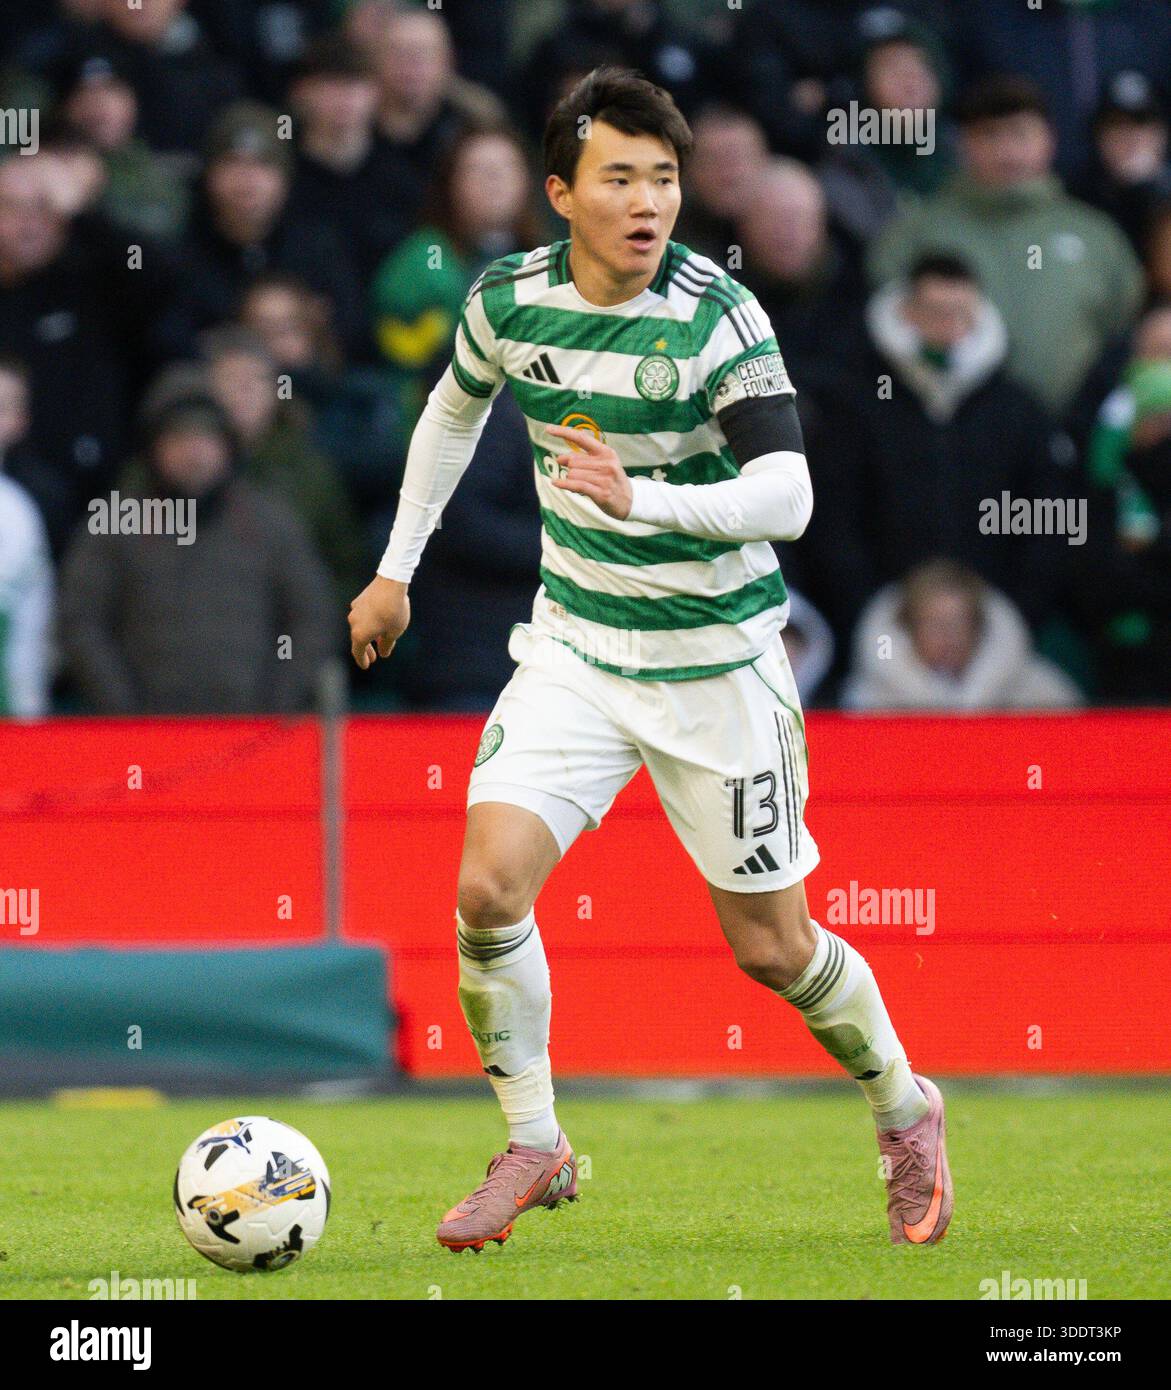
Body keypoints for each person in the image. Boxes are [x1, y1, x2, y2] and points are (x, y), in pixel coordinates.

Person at [348, 66, 953, 1252]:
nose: (648, 202)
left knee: (771, 948)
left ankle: (903, 1104)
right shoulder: (507, 299)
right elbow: (455, 410)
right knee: (484, 890)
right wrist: (395, 569)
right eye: (620, 178)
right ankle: (536, 1140)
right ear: (562, 192)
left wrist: (647, 499)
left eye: (664, 179)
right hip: (575, 647)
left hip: (717, 665)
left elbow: (788, 492)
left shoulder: (717, 311)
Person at [868, 75, 1144, 420]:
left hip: (1072, 438)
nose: (1006, 150)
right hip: (946, 435)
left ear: (1049, 139)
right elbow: (884, 329)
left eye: (1019, 133)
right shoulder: (916, 232)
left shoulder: (1096, 235)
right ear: (963, 143)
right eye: (989, 134)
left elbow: (1129, 338)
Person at [61, 393, 336, 714]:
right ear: (153, 449)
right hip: (140, 735)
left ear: (227, 448)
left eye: (206, 439)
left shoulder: (269, 522)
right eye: (178, 440)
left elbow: (311, 618)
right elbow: (81, 620)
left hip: (253, 733)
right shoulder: (116, 522)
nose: (193, 454)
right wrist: (123, 708)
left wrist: (275, 704)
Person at [843, 561, 1083, 711]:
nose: (948, 636)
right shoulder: (869, 702)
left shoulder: (1041, 695)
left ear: (979, 627)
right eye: (935, 624)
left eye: (959, 622)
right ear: (910, 629)